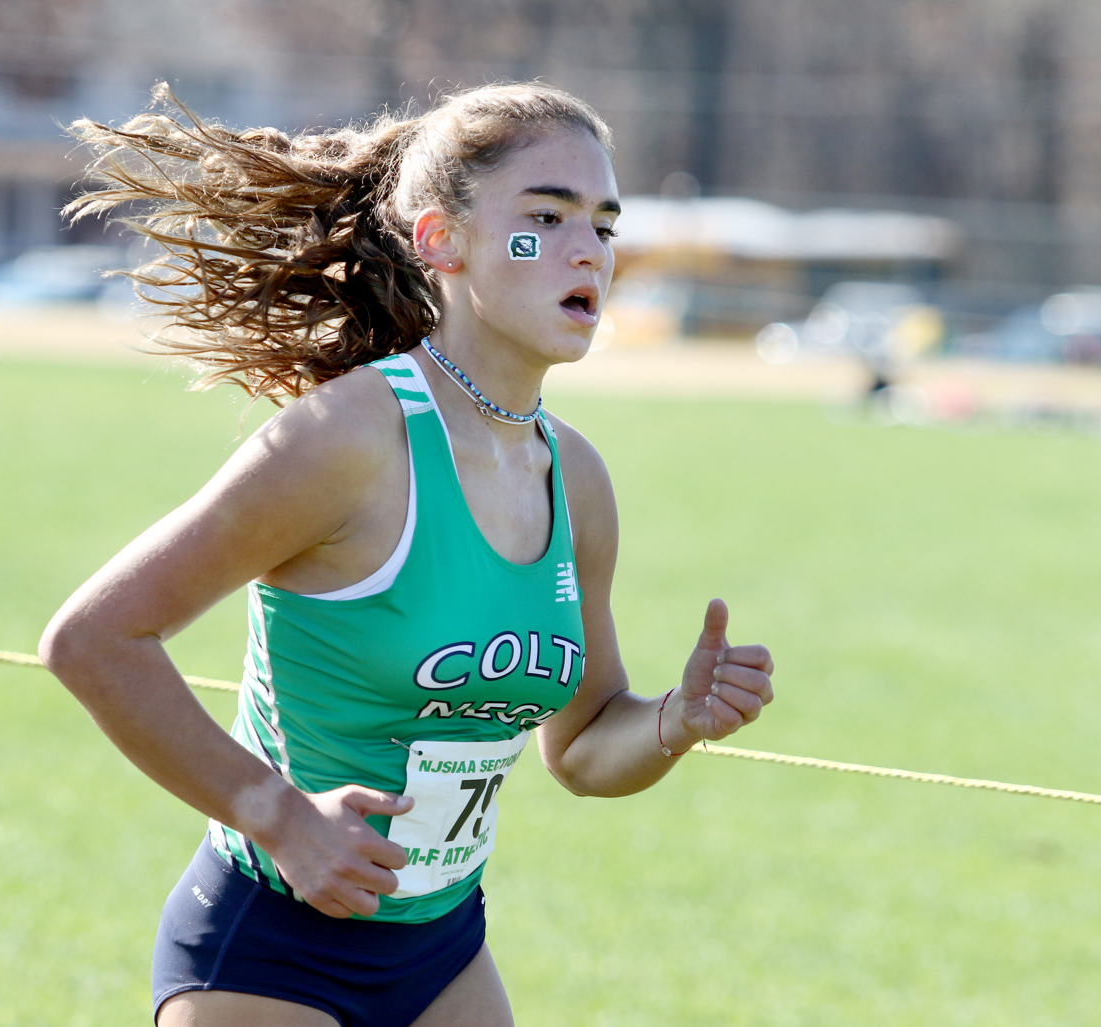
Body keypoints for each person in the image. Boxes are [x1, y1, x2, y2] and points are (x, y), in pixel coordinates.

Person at [40, 82, 775, 1027]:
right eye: (544, 218)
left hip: (441, 953)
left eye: (603, 222)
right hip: (271, 953)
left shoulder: (575, 478)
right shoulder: (349, 440)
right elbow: (94, 639)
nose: (587, 247)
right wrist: (279, 816)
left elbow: (586, 747)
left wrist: (679, 717)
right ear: (442, 240)